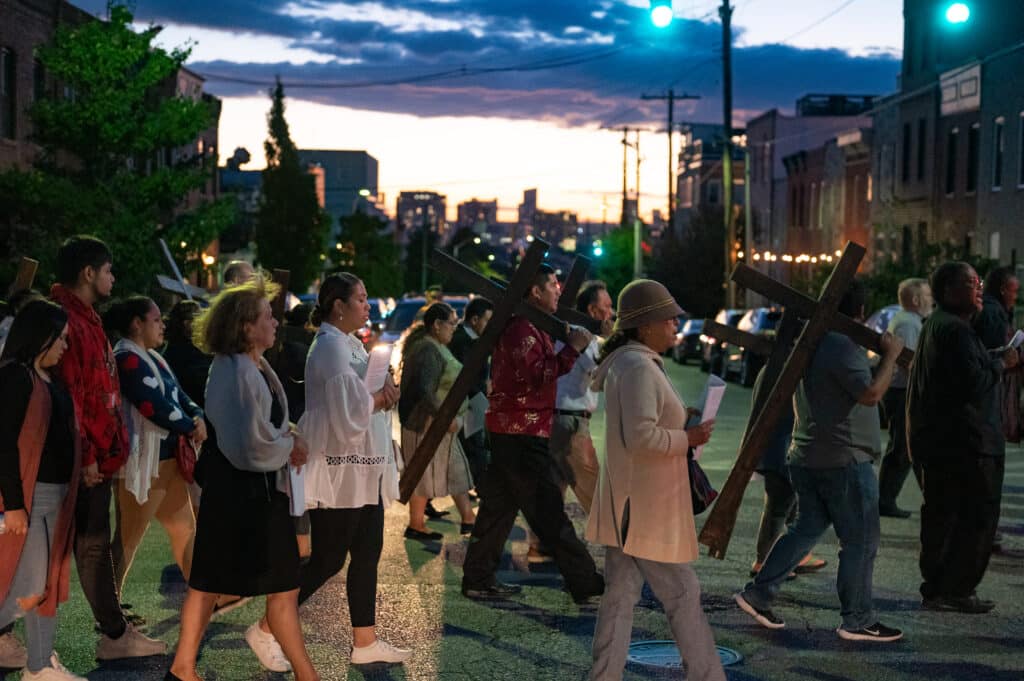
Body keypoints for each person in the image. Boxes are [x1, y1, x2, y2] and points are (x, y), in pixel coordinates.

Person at [166, 277, 319, 681]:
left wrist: (287, 435)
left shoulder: (249, 366)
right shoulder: (235, 372)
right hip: (241, 494)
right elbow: (248, 446)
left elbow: (262, 428)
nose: (275, 322)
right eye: (267, 316)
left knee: (245, 582)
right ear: (246, 327)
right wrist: (289, 445)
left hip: (249, 492)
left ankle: (184, 667)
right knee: (228, 581)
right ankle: (184, 667)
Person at [735, 279, 906, 642]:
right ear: (861, 311)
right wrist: (891, 355)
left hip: (809, 454)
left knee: (805, 528)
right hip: (843, 458)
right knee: (860, 540)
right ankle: (857, 619)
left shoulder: (812, 341)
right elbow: (871, 394)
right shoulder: (841, 345)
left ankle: (758, 594)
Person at [586, 280, 724, 681]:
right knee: (682, 592)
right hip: (645, 507)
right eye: (669, 320)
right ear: (645, 325)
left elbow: (645, 424)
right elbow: (641, 437)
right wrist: (687, 438)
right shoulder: (637, 367)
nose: (675, 326)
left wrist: (683, 420)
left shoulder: (633, 363)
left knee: (620, 597)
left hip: (631, 504)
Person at [280, 272, 409, 665]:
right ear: (338, 305)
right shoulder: (330, 347)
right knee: (328, 558)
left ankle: (365, 641)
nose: (367, 306)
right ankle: (269, 627)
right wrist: (381, 399)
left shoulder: (350, 343)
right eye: (361, 299)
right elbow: (348, 410)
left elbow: (360, 397)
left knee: (368, 549)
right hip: (339, 464)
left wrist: (385, 391)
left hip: (360, 465)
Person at [50, 235, 165, 660]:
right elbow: (73, 396)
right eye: (108, 271)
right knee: (79, 547)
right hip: (83, 459)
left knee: (86, 547)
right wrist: (89, 455)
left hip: (95, 455)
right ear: (88, 273)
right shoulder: (69, 321)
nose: (112, 278)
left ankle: (114, 631)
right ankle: (111, 634)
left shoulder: (87, 319)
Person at [461, 264, 604, 604]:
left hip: (516, 430)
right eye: (553, 285)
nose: (558, 290)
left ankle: (478, 577)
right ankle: (585, 581)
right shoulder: (521, 329)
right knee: (550, 511)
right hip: (521, 434)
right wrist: (573, 349)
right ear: (535, 292)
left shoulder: (533, 326)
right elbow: (538, 376)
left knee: (497, 511)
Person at [907, 262, 1017, 614]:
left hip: (946, 442)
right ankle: (956, 589)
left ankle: (939, 588)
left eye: (978, 282)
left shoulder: (940, 325)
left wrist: (994, 360)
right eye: (971, 283)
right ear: (949, 291)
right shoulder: (955, 330)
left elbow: (964, 371)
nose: (979, 289)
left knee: (944, 517)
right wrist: (1003, 363)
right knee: (973, 518)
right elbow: (973, 382)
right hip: (967, 444)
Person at [0, 301, 83, 680]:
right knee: (30, 587)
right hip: (28, 497)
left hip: (56, 495)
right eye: (60, 338)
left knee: (46, 584)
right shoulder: (15, 377)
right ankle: (38, 664)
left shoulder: (48, 378)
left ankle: (40, 663)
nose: (65, 346)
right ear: (40, 335)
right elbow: (3, 444)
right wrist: (15, 504)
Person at [104, 297, 207, 597]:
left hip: (166, 460)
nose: (163, 325)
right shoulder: (127, 357)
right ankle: (109, 608)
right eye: (156, 320)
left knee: (184, 530)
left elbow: (178, 395)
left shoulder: (151, 357)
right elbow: (153, 405)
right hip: (145, 462)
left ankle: (203, 595)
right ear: (137, 324)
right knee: (128, 539)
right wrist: (191, 424)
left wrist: (196, 416)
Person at [526, 280, 611, 563]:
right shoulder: (582, 336)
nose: (611, 313)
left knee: (553, 487)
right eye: (607, 306)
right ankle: (619, 547)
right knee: (593, 488)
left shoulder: (570, 332)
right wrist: (612, 344)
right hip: (569, 423)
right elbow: (597, 376)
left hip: (558, 418)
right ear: (593, 311)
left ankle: (540, 544)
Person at [398, 302, 477, 539]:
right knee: (423, 472)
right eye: (452, 323)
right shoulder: (428, 350)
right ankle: (417, 524)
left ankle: (467, 518)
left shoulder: (437, 346)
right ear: (437, 325)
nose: (454, 328)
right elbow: (425, 390)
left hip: (439, 423)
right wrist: (443, 418)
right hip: (427, 423)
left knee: (452, 468)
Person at [748, 368, 827, 578]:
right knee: (779, 506)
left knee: (789, 504)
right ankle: (763, 560)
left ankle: (793, 556)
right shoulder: (787, 369)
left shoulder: (772, 368)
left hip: (777, 444)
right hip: (782, 445)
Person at [878, 278, 933, 518]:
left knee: (901, 448)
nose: (931, 300)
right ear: (916, 299)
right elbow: (909, 362)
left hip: (900, 391)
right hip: (903, 392)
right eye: (928, 295)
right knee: (902, 448)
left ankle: (885, 499)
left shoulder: (905, 320)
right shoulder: (909, 324)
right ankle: (885, 500)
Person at [449, 297, 494, 492]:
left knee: (473, 446)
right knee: (473, 447)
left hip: (476, 400)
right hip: (468, 402)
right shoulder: (461, 341)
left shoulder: (476, 339)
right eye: (487, 320)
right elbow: (466, 377)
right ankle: (483, 489)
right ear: (475, 320)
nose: (491, 326)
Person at [973, 266, 1021, 444]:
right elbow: (993, 353)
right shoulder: (993, 312)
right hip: (988, 388)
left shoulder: (986, 308)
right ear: (1003, 289)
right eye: (1014, 291)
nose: (1016, 297)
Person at [161, 300, 212, 410]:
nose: (204, 324)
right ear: (187, 324)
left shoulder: (172, 350)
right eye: (200, 319)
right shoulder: (186, 353)